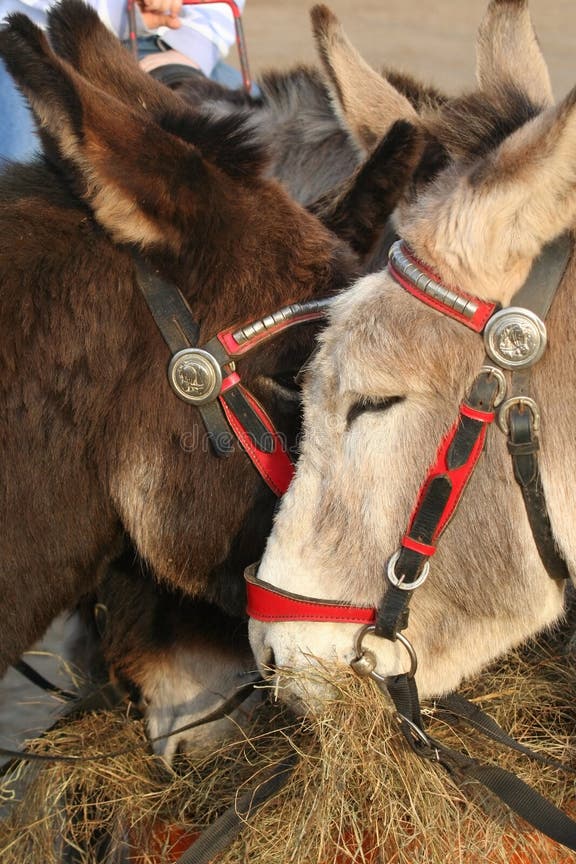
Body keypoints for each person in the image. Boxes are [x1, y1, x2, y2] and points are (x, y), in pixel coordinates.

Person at [0, 0, 246, 163]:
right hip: (36, 31)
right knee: (24, 155)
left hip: (169, 38)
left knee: (253, 131)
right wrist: (119, 9)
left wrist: (193, 45)